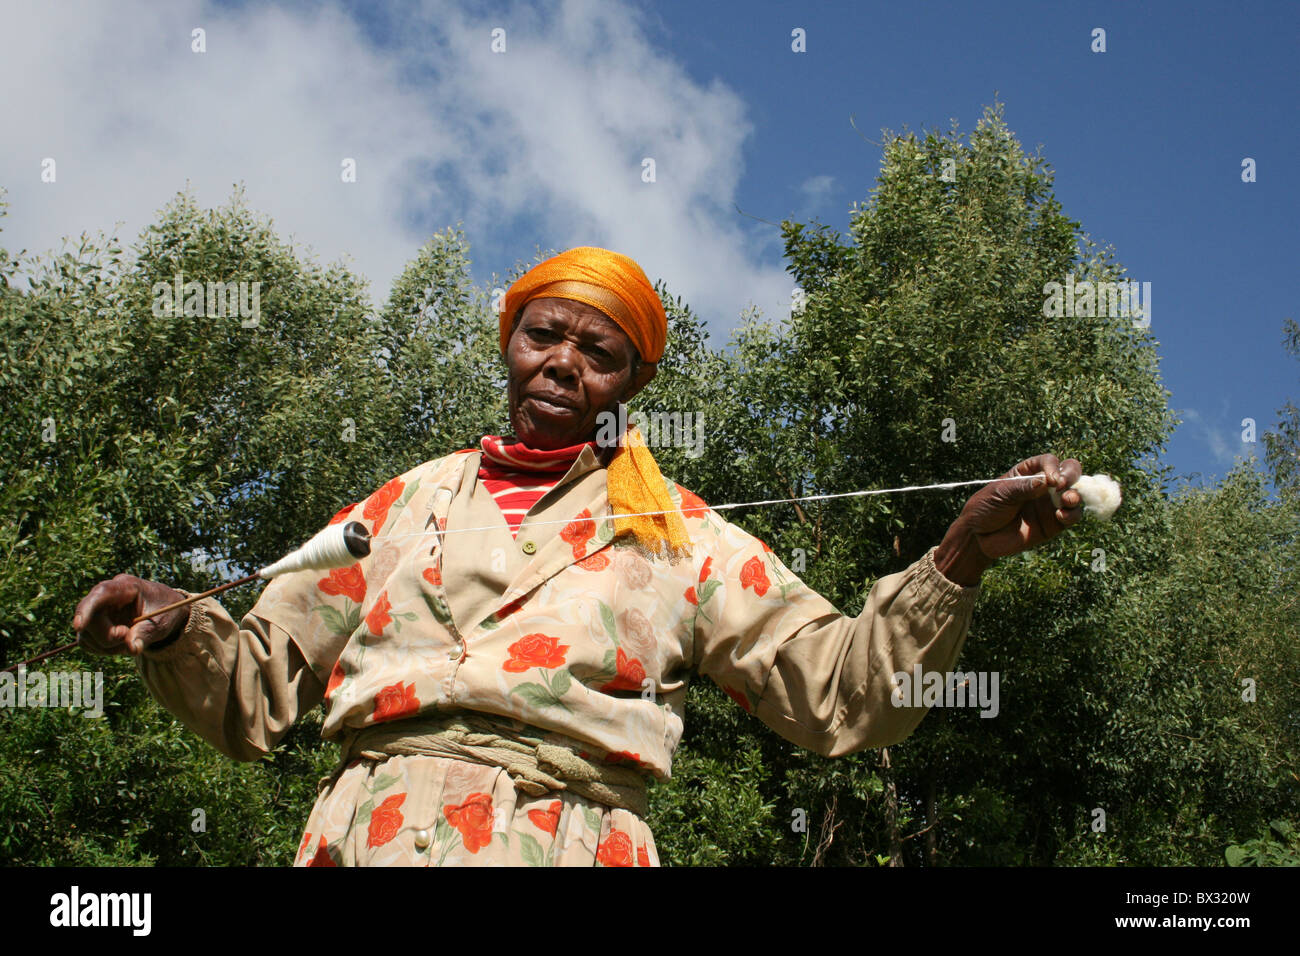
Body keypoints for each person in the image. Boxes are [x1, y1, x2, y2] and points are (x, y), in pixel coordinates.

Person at [72, 246, 1084, 866]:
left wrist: (957, 555)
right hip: (362, 836)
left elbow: (842, 695)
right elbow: (254, 692)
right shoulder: (408, 500)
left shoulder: (679, 533)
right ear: (509, 344)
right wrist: (180, 629)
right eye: (542, 335)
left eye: (598, 353)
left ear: (631, 379)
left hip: (570, 840)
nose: (563, 363)